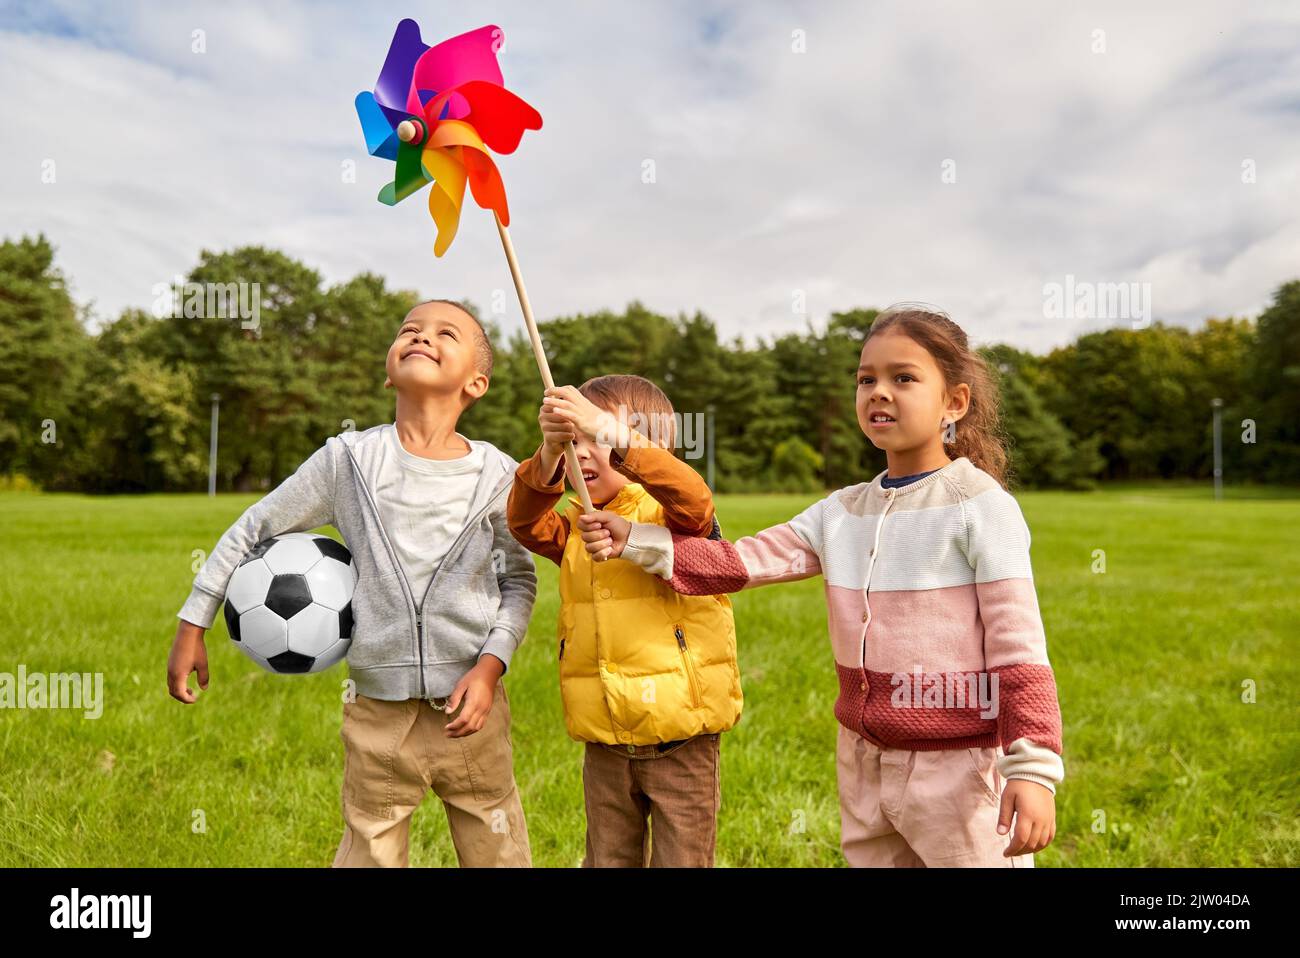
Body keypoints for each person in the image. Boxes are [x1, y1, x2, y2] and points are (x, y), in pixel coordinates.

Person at [578, 304, 1064, 867]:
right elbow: (740, 563)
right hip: (864, 760)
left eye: (903, 377)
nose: (879, 391)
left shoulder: (980, 506)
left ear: (954, 403)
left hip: (957, 768)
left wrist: (1031, 771)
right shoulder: (841, 512)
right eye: (866, 379)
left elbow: (1019, 649)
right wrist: (634, 536)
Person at [166, 299, 538, 867]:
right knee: (370, 846)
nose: (421, 336)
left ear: (477, 382)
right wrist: (194, 621)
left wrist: (490, 668)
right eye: (408, 330)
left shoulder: (499, 475)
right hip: (377, 712)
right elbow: (253, 528)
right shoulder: (349, 462)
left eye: (445, 333)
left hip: (471, 709)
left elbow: (519, 580)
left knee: (497, 847)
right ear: (389, 368)